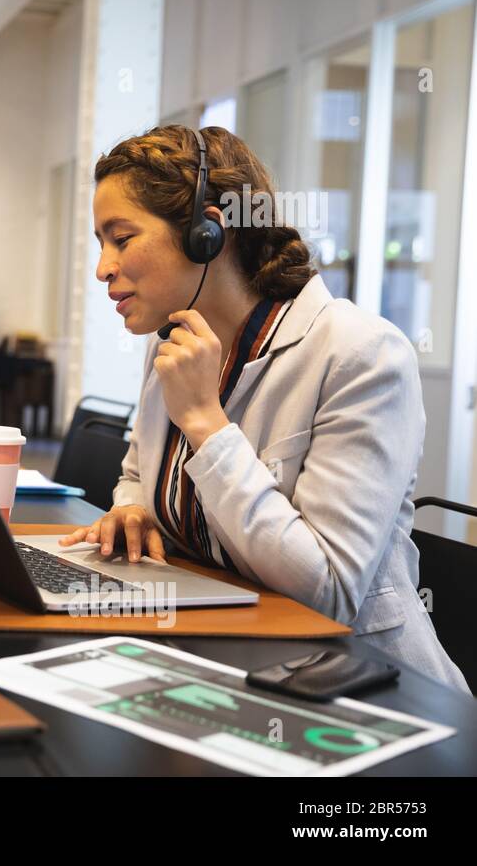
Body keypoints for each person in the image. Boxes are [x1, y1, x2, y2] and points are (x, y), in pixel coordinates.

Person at [61, 125, 468, 692]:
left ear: (208, 231)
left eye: (122, 238)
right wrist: (134, 509)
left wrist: (206, 421)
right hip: (233, 657)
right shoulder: (174, 340)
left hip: (365, 689)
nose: (102, 267)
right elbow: (138, 473)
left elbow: (327, 590)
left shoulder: (361, 355)